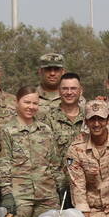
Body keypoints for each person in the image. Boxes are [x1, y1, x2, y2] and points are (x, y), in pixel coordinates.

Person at [0, 86, 62, 217]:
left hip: (47, 195)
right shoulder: (8, 131)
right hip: (20, 196)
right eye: (27, 102)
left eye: (35, 103)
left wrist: (60, 187)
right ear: (17, 102)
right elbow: (3, 165)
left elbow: (54, 164)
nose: (31, 107)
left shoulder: (45, 130)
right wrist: (6, 194)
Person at [43, 71, 88, 203]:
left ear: (81, 90)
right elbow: (46, 156)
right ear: (59, 91)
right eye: (65, 88)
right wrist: (60, 183)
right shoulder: (47, 119)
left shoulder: (90, 117)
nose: (69, 92)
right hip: (58, 186)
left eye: (73, 88)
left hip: (88, 185)